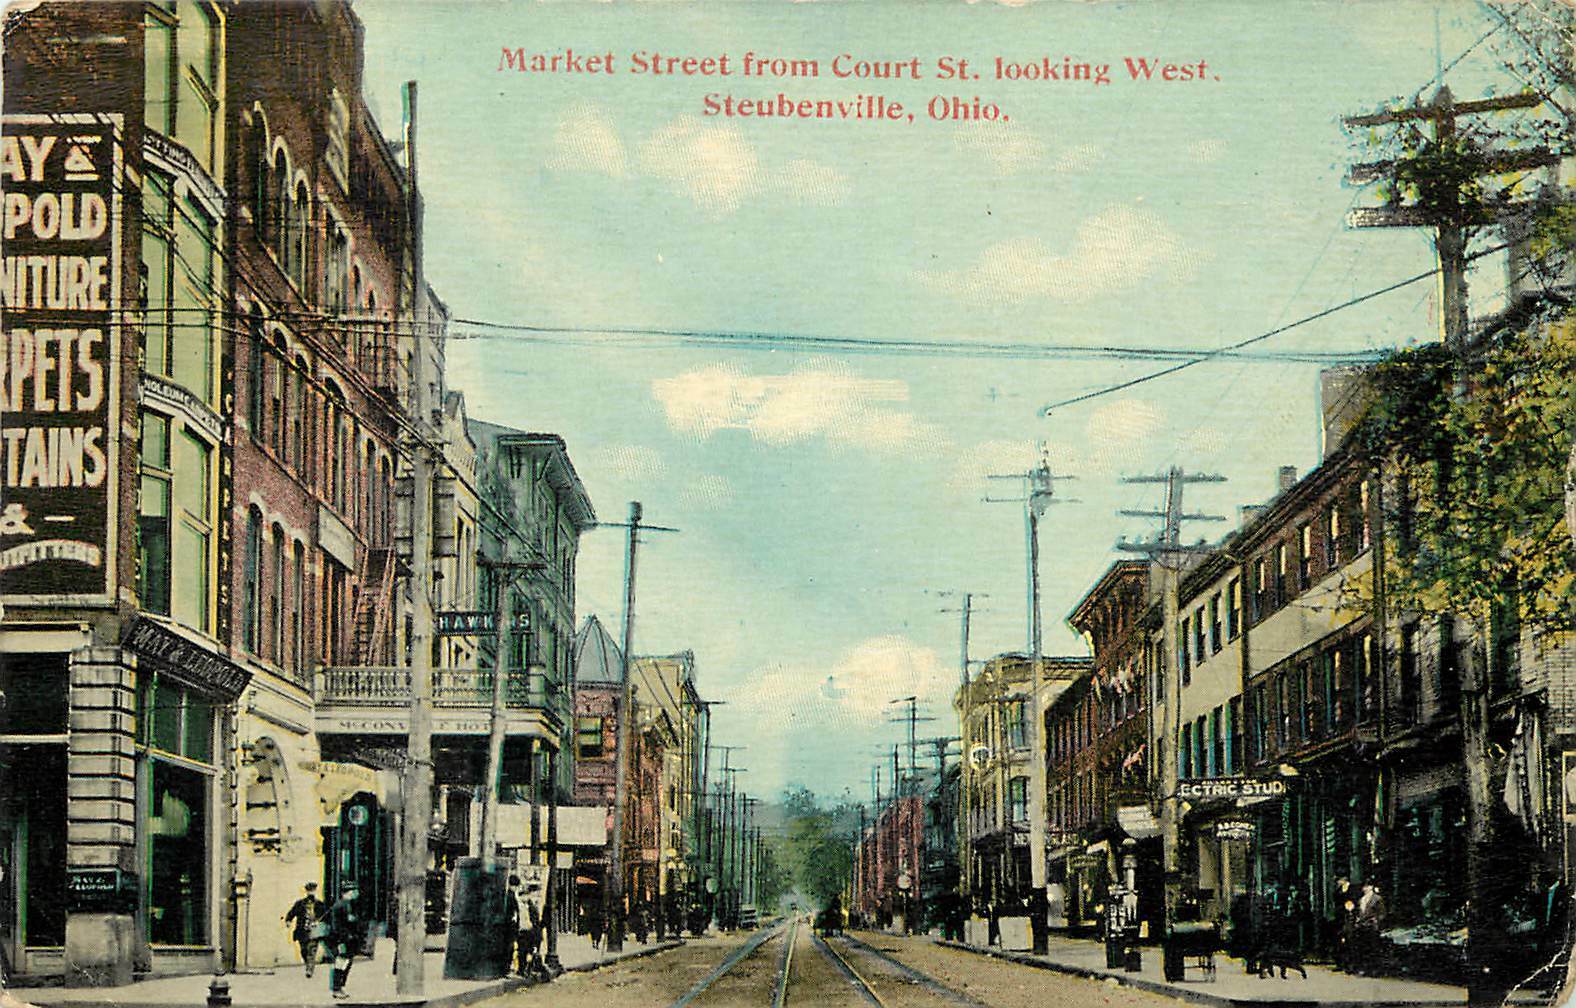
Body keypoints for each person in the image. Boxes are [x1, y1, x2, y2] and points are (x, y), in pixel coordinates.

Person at [325, 882, 362, 1000]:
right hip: (342, 940)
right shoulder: (340, 905)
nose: (356, 893)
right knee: (341, 963)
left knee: (345, 962)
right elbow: (337, 926)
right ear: (348, 892)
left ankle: (339, 987)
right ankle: (337, 988)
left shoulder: (347, 904)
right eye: (354, 891)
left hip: (347, 939)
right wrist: (342, 940)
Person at [283, 883, 326, 978]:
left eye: (313, 890)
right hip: (302, 931)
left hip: (314, 931)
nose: (311, 892)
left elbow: (325, 916)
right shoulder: (300, 904)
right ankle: (308, 964)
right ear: (306, 891)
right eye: (309, 890)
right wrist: (288, 920)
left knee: (312, 950)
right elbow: (292, 913)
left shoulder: (319, 904)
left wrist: (319, 922)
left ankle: (309, 969)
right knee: (303, 950)